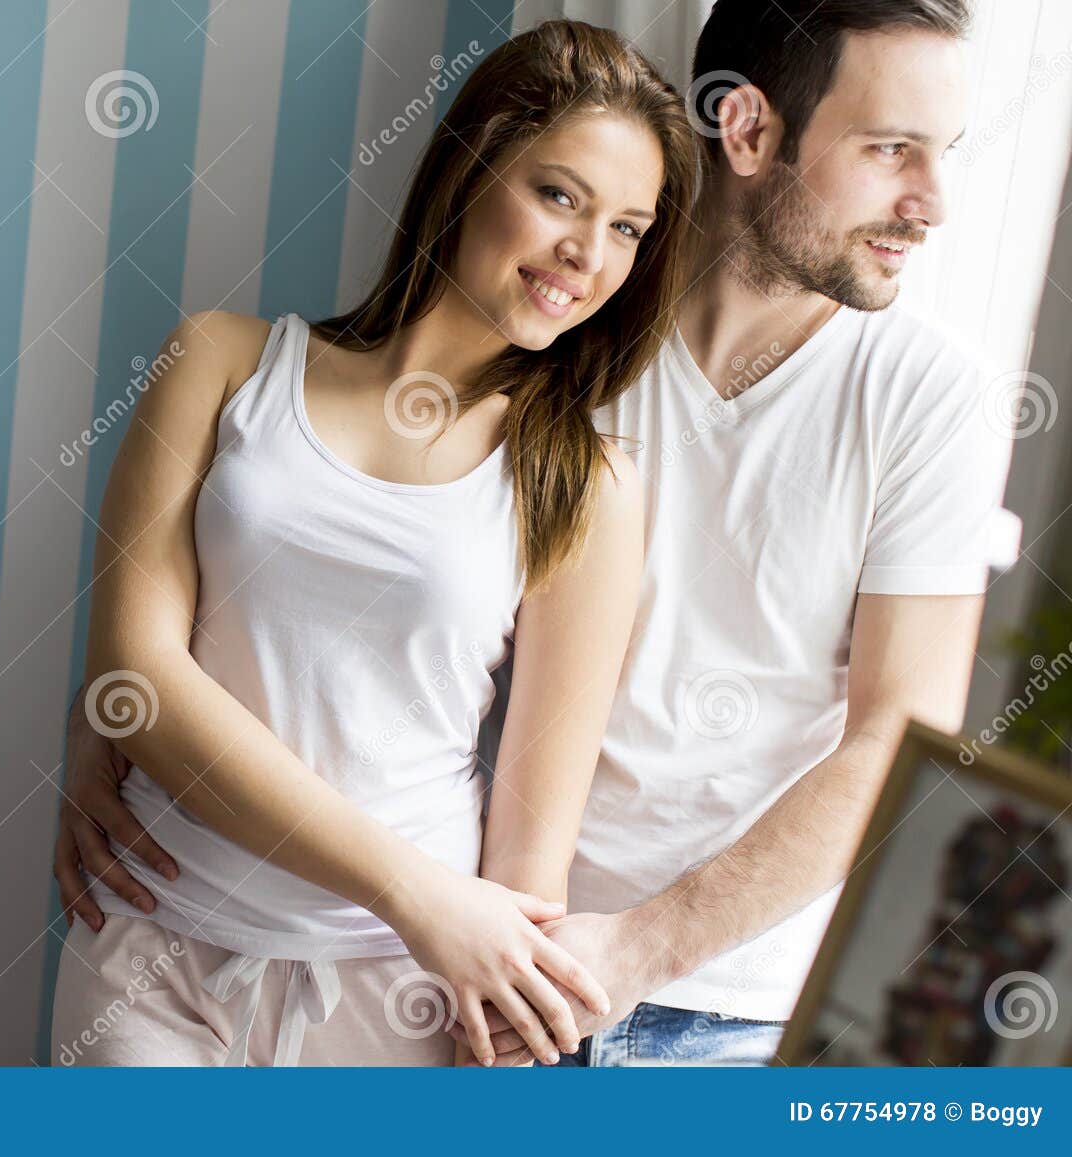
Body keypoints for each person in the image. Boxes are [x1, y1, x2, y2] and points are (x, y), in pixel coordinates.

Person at [57, 0, 1021, 1068]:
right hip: (465, 952)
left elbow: (897, 736)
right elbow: (303, 565)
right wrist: (122, 725)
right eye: (891, 149)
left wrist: (618, 955)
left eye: (625, 226)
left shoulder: (927, 400)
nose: (931, 202)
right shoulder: (565, 342)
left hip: (685, 1000)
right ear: (747, 129)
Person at [48, 20, 699, 1067]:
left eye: (627, 227)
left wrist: (487, 1009)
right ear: (468, 168)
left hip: (402, 997)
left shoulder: (585, 484)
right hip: (156, 949)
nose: (588, 254)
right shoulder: (221, 360)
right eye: (560, 195)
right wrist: (415, 892)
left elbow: (530, 847)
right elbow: (136, 674)